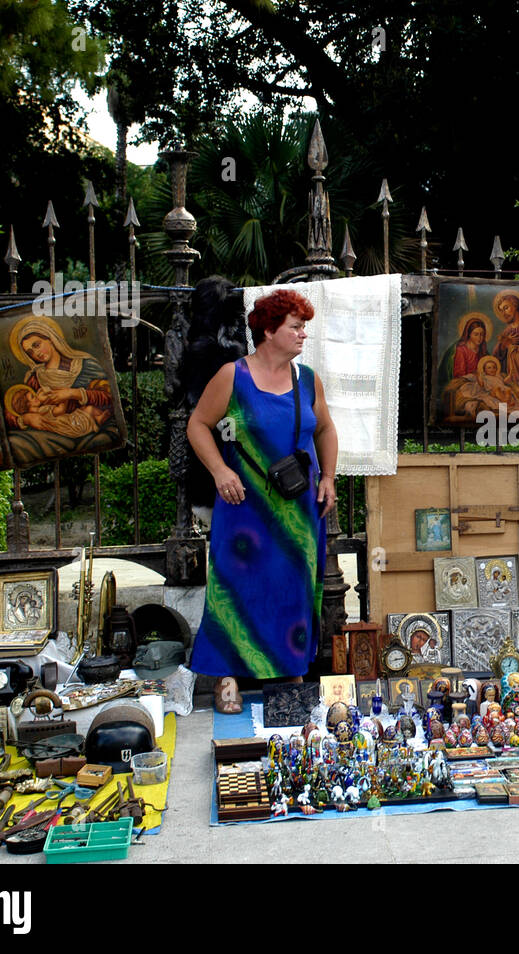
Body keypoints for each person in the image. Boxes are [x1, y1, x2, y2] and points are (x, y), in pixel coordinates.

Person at [186, 289, 339, 714]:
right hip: (244, 506)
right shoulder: (232, 376)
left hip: (297, 508)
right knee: (236, 589)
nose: (303, 334)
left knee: (293, 588)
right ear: (269, 330)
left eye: (303, 326)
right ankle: (227, 678)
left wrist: (328, 477)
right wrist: (220, 470)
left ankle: (291, 676)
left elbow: (325, 429)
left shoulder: (307, 379)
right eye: (295, 326)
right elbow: (198, 424)